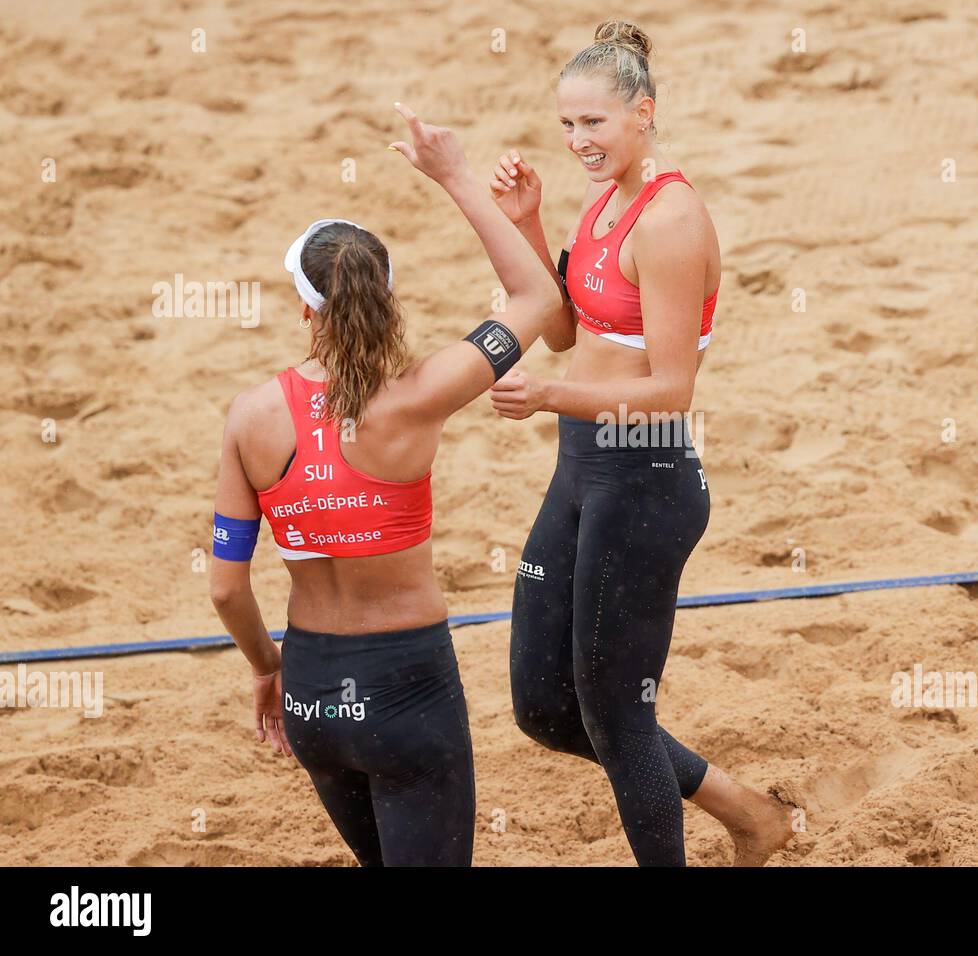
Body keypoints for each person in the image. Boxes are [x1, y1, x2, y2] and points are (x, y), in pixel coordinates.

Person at [208, 103, 564, 866]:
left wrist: (267, 669)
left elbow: (226, 591)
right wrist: (458, 177)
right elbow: (538, 298)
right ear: (385, 295)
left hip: (310, 694)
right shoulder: (420, 394)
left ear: (305, 305)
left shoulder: (250, 417)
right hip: (408, 691)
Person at [487, 20, 793, 866]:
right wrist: (528, 219)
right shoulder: (605, 204)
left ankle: (733, 829)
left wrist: (550, 399)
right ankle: (747, 811)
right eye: (568, 125)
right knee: (543, 708)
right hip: (583, 472)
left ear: (644, 114)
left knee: (617, 715)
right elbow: (564, 335)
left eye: (596, 124)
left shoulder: (669, 219)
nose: (580, 141)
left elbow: (670, 388)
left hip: (647, 478)